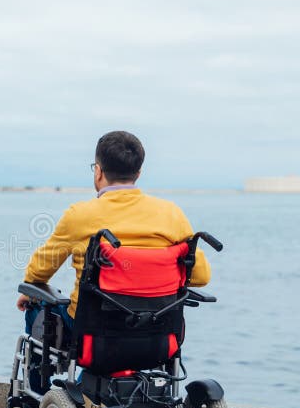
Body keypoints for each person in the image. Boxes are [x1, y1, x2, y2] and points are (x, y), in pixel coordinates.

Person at [16, 130, 211, 332]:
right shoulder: (171, 214)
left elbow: (40, 269)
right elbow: (200, 276)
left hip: (91, 333)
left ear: (98, 171)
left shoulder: (80, 215)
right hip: (157, 334)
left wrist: (30, 292)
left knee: (35, 309)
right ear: (138, 173)